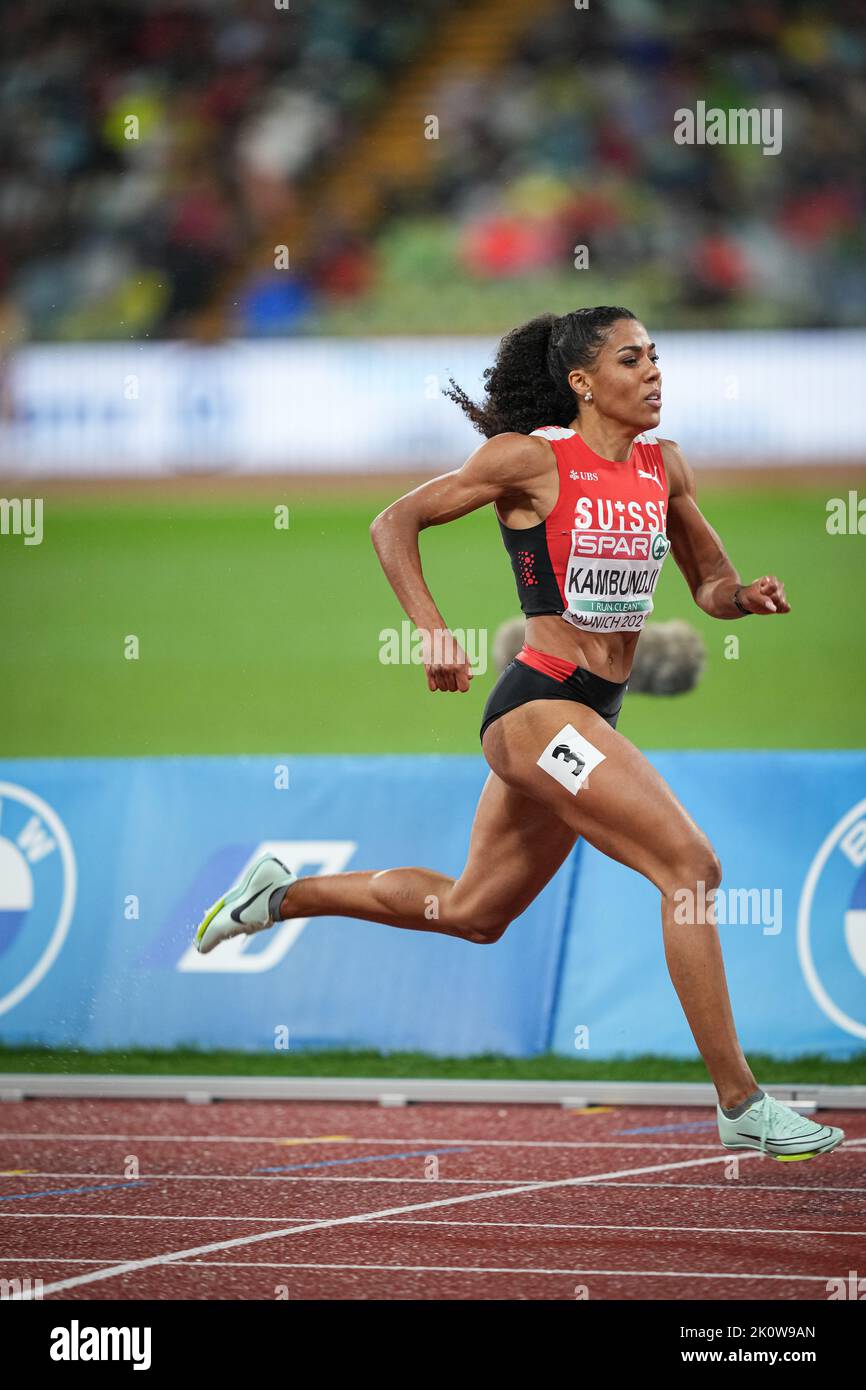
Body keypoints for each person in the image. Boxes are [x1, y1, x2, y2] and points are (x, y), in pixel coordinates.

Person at [194, 306, 843, 1161]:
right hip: (537, 712)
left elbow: (708, 581)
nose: (654, 372)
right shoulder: (531, 459)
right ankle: (742, 1101)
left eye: (656, 357)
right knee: (690, 868)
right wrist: (431, 629)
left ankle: (278, 894)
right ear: (582, 382)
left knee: (474, 911)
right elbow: (394, 521)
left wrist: (742, 598)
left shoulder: (664, 466)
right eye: (631, 359)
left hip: (591, 713)